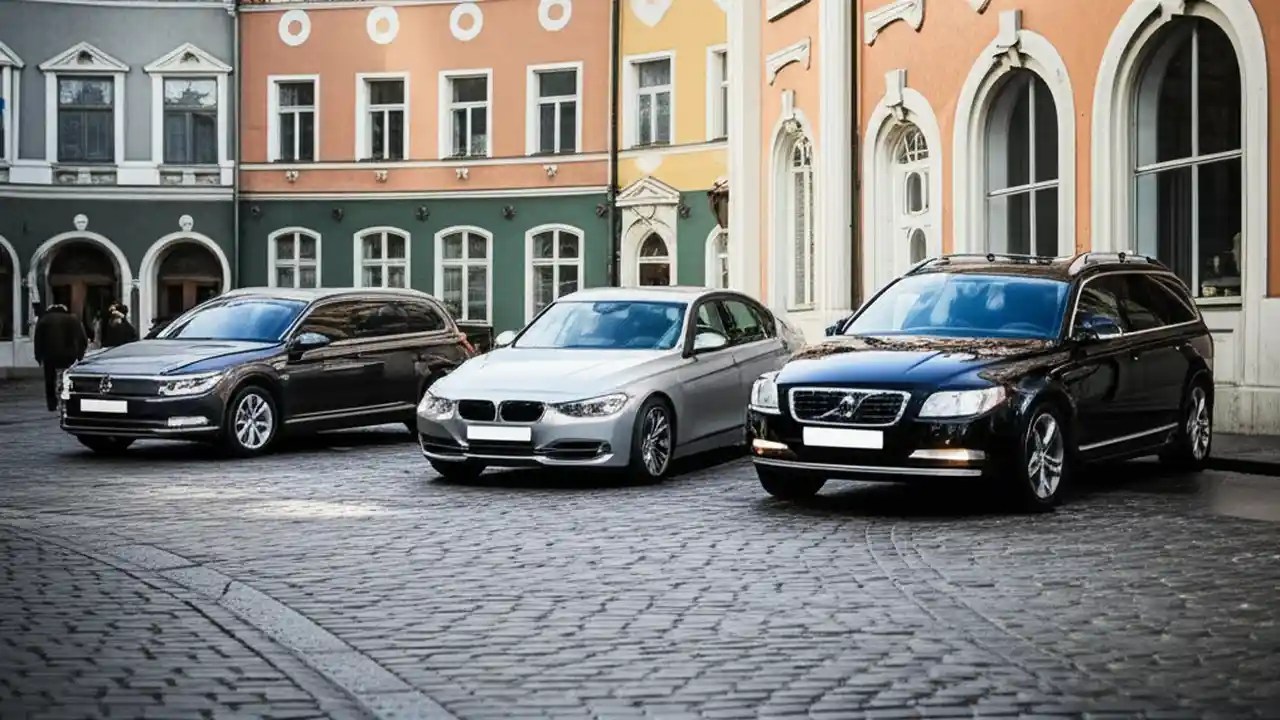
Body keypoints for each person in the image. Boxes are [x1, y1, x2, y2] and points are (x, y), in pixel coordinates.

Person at [33, 304, 88, 412]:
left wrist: (38, 356)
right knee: (68, 377)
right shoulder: (73, 319)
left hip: (49, 355)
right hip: (69, 355)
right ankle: (68, 400)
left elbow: (38, 340)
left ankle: (52, 404)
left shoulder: (44, 320)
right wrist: (80, 354)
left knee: (49, 380)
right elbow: (82, 338)